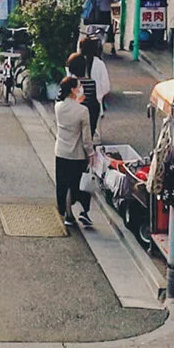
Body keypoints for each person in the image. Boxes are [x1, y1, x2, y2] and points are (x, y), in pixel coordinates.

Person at [53, 74, 94, 232]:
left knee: (62, 183)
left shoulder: (58, 107)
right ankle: (81, 211)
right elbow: (86, 138)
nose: (80, 89)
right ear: (72, 90)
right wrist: (90, 153)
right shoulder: (83, 111)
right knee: (76, 184)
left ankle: (66, 212)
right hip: (77, 154)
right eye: (78, 86)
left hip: (61, 151)